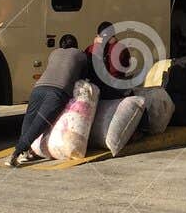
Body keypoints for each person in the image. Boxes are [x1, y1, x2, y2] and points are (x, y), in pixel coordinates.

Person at [15, 35, 85, 163]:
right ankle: (17, 152)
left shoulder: (54, 53)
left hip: (38, 89)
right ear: (75, 45)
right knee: (39, 124)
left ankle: (24, 151)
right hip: (57, 92)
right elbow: (85, 73)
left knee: (29, 120)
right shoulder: (80, 54)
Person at [86, 21, 134, 97]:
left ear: (98, 35)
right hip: (116, 87)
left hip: (97, 89)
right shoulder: (121, 47)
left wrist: (97, 44)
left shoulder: (90, 49)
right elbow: (126, 66)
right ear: (113, 35)